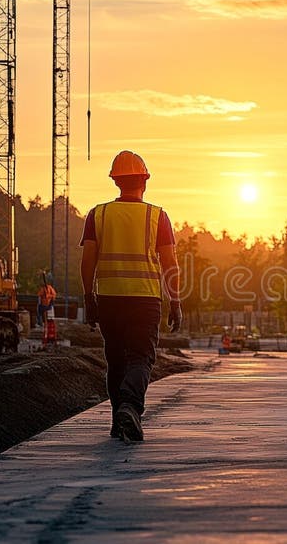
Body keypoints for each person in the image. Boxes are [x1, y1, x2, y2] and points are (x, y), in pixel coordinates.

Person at [80, 150, 183, 443]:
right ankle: (130, 407)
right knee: (141, 358)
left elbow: (87, 261)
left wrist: (89, 297)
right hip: (145, 300)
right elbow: (170, 264)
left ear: (116, 182)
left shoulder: (97, 214)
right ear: (144, 181)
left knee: (116, 361)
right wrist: (175, 300)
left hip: (109, 299)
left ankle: (118, 420)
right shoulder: (157, 216)